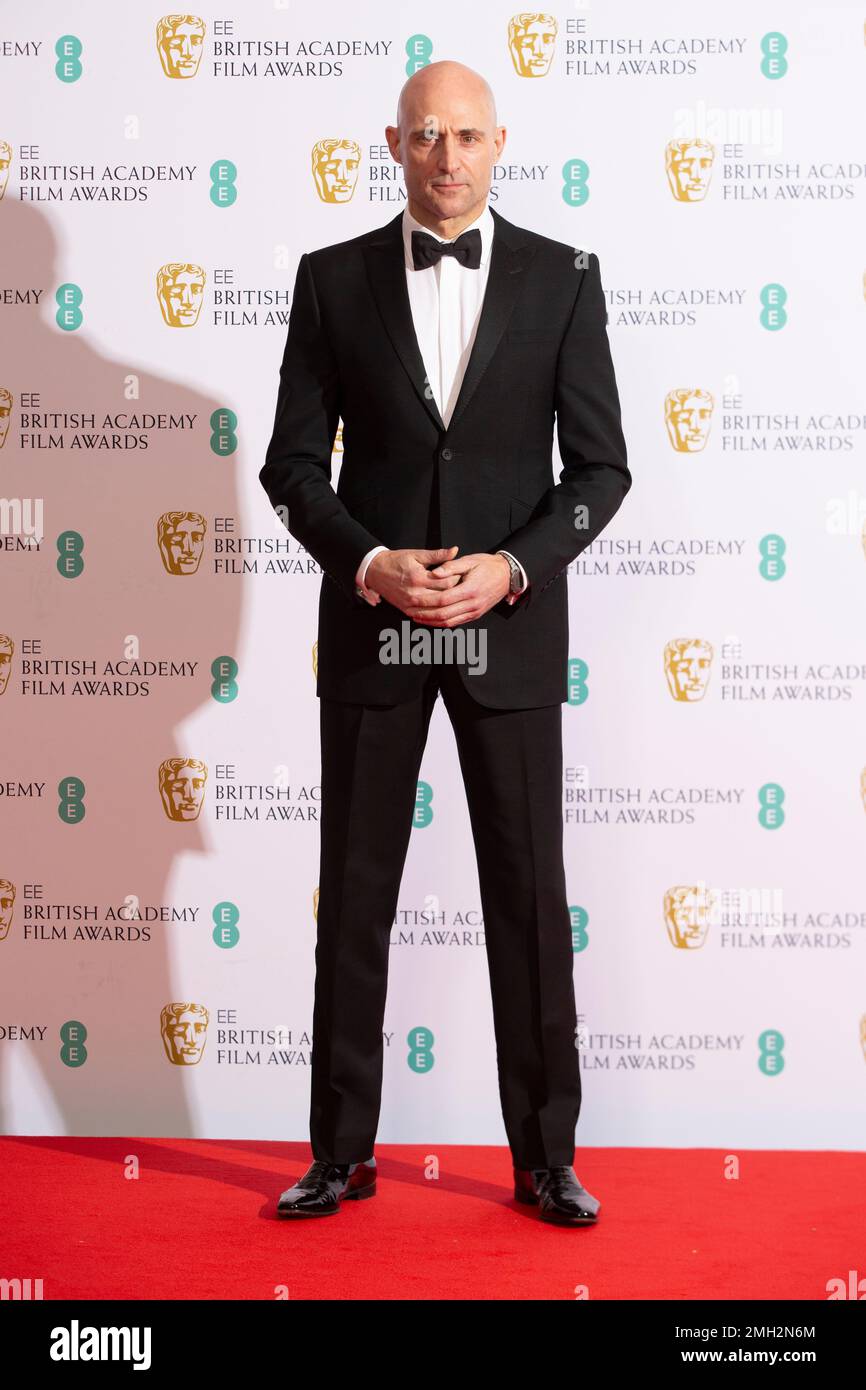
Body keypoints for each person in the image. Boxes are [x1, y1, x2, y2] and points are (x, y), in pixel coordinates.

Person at [259, 60, 630, 1226]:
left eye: (466, 134)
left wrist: (511, 565)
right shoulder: (329, 282)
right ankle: (339, 1154)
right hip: (375, 630)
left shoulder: (564, 278)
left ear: (498, 142)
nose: (447, 155)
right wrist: (369, 562)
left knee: (528, 896)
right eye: (426, 134)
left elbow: (603, 468)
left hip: (507, 634)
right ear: (392, 142)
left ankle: (543, 1161)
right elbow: (288, 465)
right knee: (356, 896)